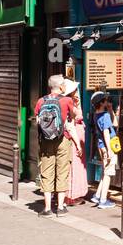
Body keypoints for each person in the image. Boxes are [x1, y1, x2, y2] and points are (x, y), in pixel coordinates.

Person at [34, 75, 74, 216]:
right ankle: (61, 207)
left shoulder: (41, 101)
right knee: (62, 171)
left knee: (47, 171)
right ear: (61, 86)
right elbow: (74, 116)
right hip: (62, 139)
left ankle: (47, 208)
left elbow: (37, 120)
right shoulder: (67, 100)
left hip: (45, 140)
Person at [90, 91, 118, 209]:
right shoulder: (105, 115)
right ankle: (103, 200)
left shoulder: (97, 114)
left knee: (104, 171)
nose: (107, 101)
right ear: (101, 103)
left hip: (101, 145)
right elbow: (107, 133)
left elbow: (114, 123)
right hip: (108, 146)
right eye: (105, 100)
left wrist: (111, 110)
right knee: (108, 174)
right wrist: (110, 151)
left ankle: (97, 195)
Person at [64, 80, 89, 205]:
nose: (77, 92)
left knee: (75, 165)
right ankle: (71, 195)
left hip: (77, 137)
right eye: (75, 90)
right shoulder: (69, 104)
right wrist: (78, 144)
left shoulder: (72, 102)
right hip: (74, 139)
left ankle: (71, 194)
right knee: (75, 165)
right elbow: (71, 125)